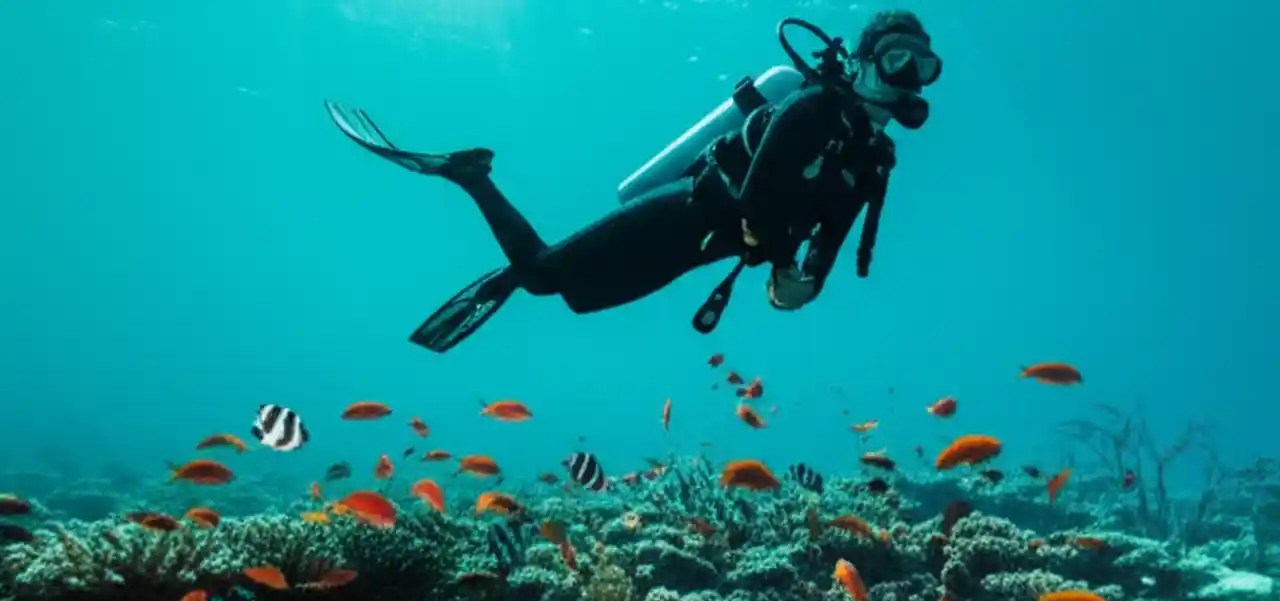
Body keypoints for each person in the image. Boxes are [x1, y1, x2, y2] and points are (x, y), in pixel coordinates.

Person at [325, 11, 941, 353]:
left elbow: (830, 239)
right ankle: (472, 179)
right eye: (896, 58)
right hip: (684, 215)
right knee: (542, 279)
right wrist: (783, 265)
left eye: (923, 65)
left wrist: (805, 282)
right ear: (861, 62)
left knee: (574, 298)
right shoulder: (810, 110)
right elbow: (757, 195)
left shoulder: (874, 158)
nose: (909, 76)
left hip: (709, 254)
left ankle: (485, 201)